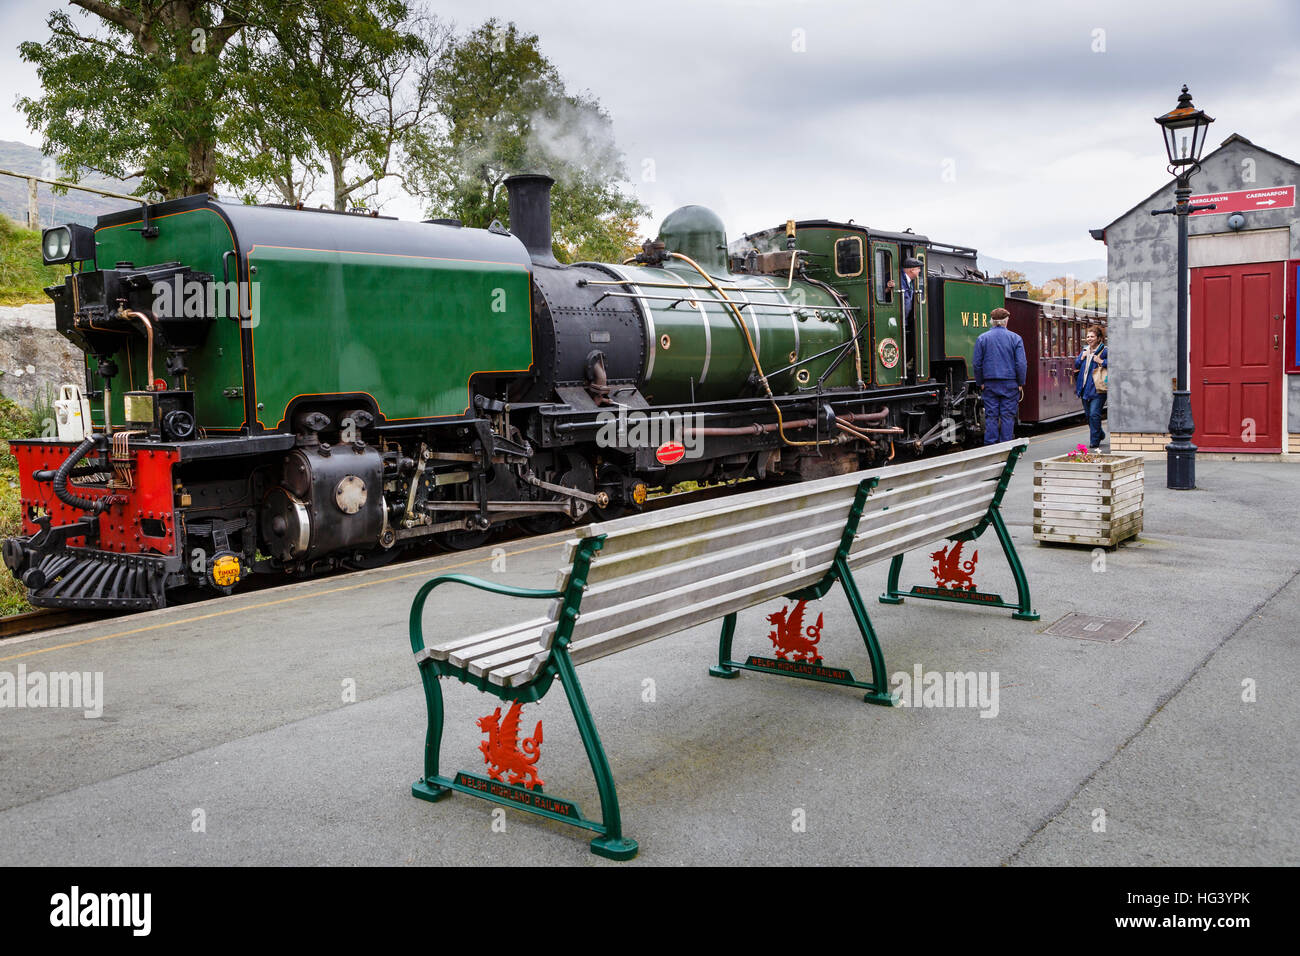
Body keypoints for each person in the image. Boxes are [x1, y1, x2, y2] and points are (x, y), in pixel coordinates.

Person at [972, 307, 1026, 445]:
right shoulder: (1016, 338)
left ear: (992, 322)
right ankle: (1006, 448)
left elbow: (977, 364)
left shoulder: (982, 338)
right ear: (1006, 321)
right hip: (1010, 383)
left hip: (989, 383)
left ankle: (991, 448)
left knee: (991, 416)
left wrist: (980, 382)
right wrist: (1020, 382)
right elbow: (1021, 363)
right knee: (1008, 416)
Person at [1074, 325, 1108, 449]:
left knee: (1094, 414)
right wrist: (1082, 357)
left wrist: (1101, 361)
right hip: (1084, 388)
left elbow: (1115, 362)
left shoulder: (1104, 351)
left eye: (1092, 336)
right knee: (1088, 416)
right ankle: (1099, 433)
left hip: (1098, 388)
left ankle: (1094, 441)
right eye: (1088, 336)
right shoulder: (1084, 350)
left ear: (1099, 338)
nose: (1089, 339)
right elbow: (1076, 364)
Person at [899, 257, 921, 380]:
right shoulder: (898, 278)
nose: (919, 272)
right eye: (918, 269)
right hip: (899, 319)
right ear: (912, 270)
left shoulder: (909, 281)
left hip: (907, 320)